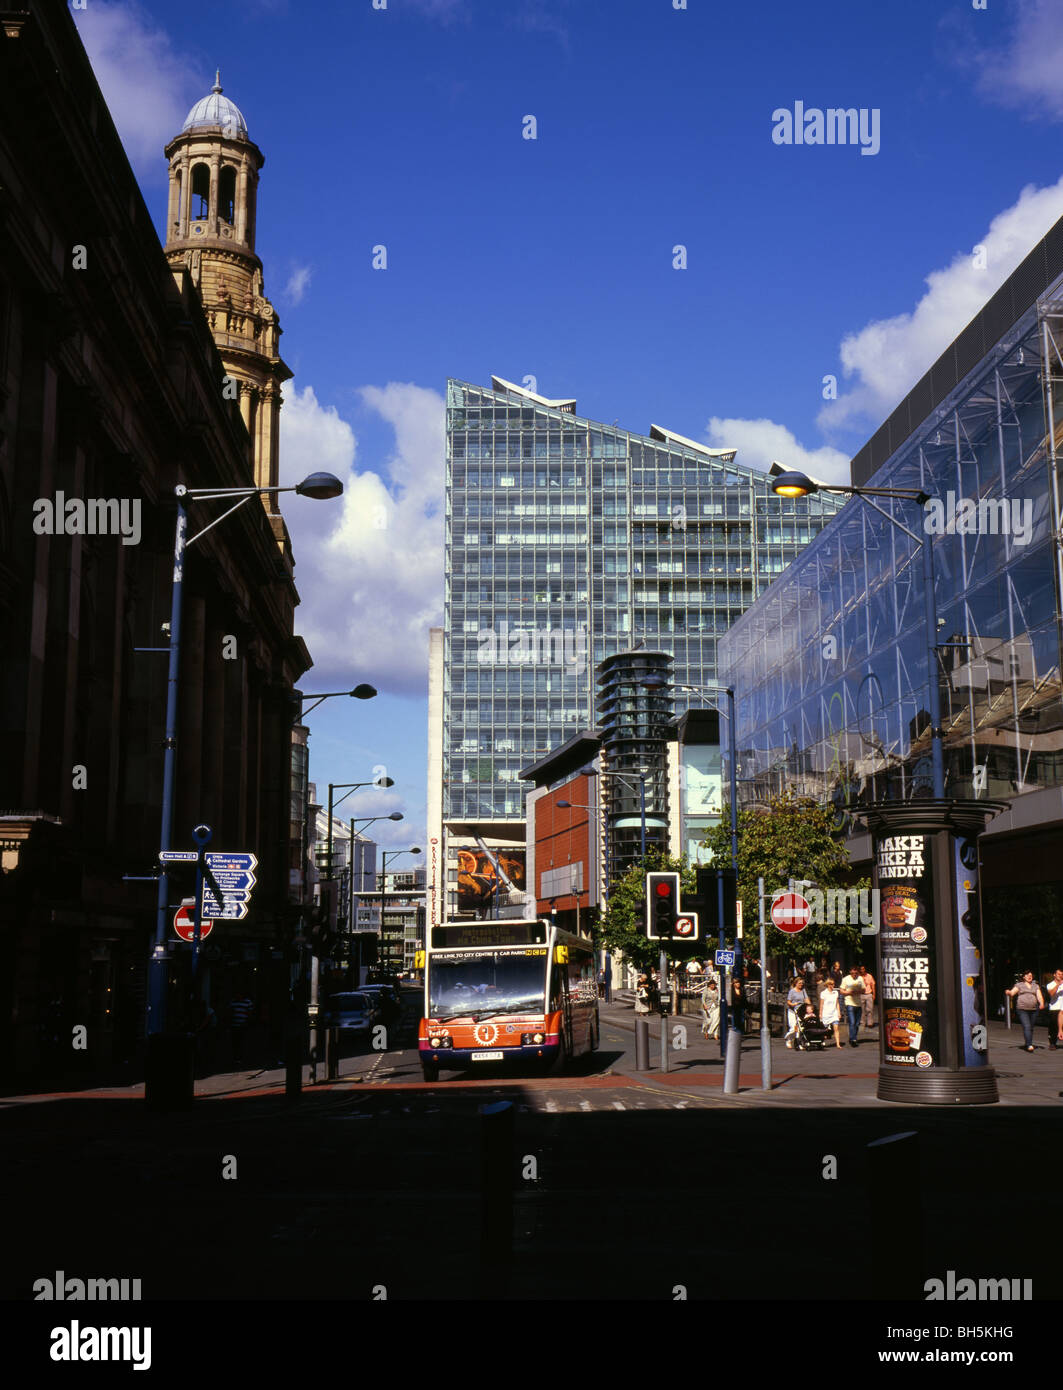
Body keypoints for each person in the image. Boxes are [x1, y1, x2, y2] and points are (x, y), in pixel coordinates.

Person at [1005, 971, 1044, 1051]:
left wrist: (1041, 1003)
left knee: (1031, 1028)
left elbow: (1039, 995)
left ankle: (1027, 1042)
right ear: (1024, 977)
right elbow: (1012, 993)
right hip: (1022, 1009)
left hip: (1033, 1009)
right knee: (1027, 1026)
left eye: (1031, 975)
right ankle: (1029, 1045)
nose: (1029, 976)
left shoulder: (1035, 986)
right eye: (1027, 975)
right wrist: (1008, 992)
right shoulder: (1019, 985)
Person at [840, 965, 864, 1046]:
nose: (854, 974)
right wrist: (849, 992)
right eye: (853, 973)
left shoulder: (860, 978)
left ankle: (853, 1036)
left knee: (857, 1023)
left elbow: (864, 989)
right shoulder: (845, 979)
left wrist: (859, 991)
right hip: (849, 1003)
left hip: (858, 1003)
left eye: (856, 973)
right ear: (850, 972)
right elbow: (841, 991)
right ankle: (853, 1039)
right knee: (852, 1022)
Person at [818, 975, 843, 1048]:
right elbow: (821, 1004)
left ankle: (838, 1044)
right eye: (831, 984)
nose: (833, 985)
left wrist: (838, 1012)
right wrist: (820, 1013)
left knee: (836, 1028)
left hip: (834, 1013)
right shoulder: (823, 993)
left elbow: (837, 1003)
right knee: (824, 1030)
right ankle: (821, 1042)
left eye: (833, 984)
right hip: (826, 1013)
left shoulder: (835, 993)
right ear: (828, 985)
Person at [229, 993, 254, 1066]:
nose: (238, 995)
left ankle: (241, 1058)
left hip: (243, 1025)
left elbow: (250, 1013)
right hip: (234, 1025)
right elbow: (230, 1013)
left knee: (242, 1042)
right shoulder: (233, 1002)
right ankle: (236, 1058)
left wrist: (247, 1023)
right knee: (235, 1042)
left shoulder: (248, 1002)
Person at [785, 976, 809, 1049]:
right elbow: (788, 1001)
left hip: (801, 1010)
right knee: (793, 1028)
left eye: (802, 983)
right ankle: (788, 1038)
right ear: (796, 983)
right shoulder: (792, 991)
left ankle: (799, 1043)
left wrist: (810, 1006)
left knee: (799, 1028)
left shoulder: (803, 990)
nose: (801, 984)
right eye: (799, 983)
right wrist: (793, 1004)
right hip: (793, 1010)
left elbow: (806, 999)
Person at [1047, 969, 1063, 1049]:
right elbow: (1051, 993)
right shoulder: (1050, 984)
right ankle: (1052, 1043)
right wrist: (1058, 985)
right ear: (1054, 975)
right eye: (1058, 974)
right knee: (1053, 1026)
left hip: (1062, 1008)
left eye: (1061, 974)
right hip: (1054, 1008)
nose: (1060, 975)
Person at [859, 964, 876, 1030]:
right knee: (862, 1010)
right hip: (861, 994)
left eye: (863, 969)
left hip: (869, 994)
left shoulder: (869, 976)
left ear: (865, 969)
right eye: (861, 969)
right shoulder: (859, 977)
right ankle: (862, 1022)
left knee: (870, 1009)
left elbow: (873, 985)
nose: (862, 970)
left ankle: (870, 1023)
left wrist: (874, 994)